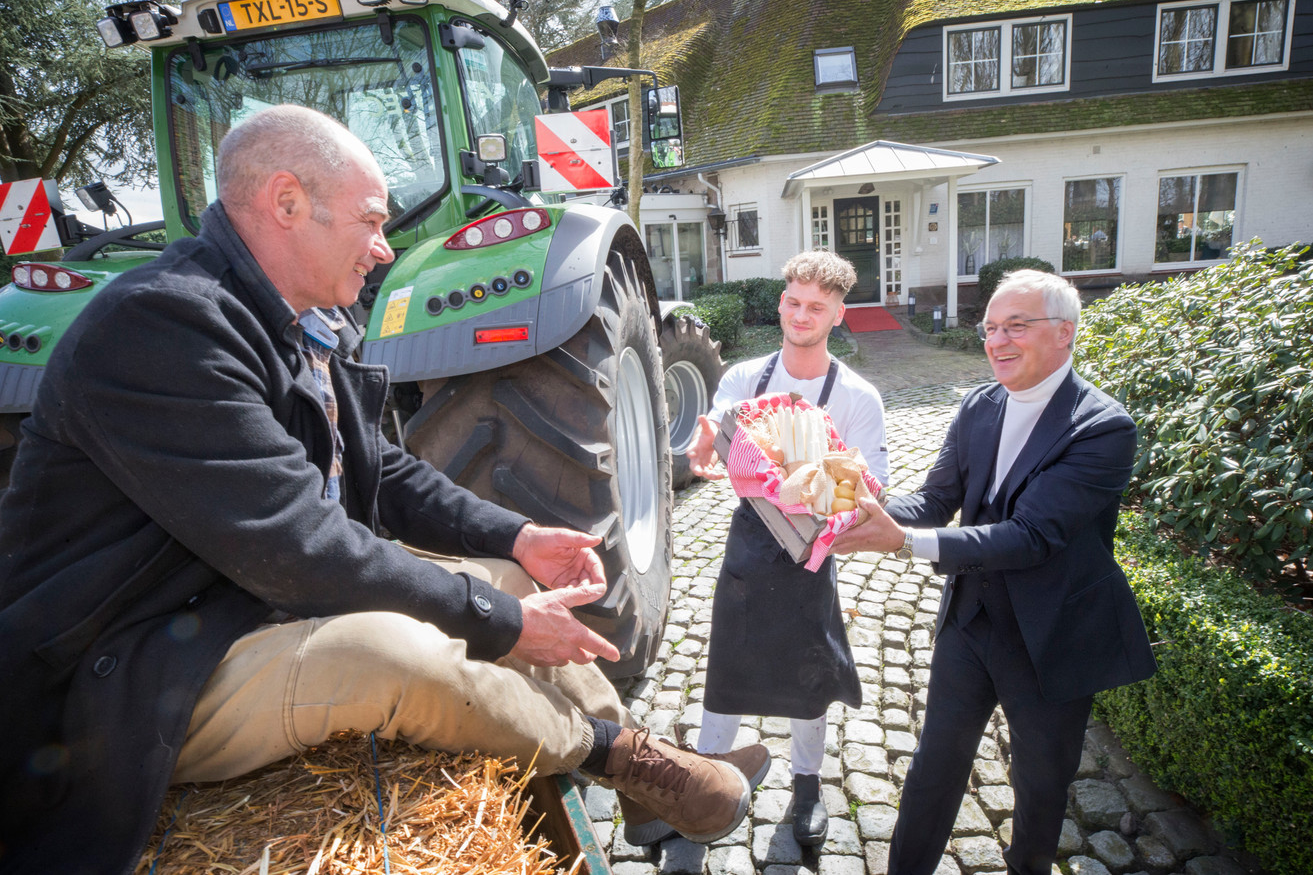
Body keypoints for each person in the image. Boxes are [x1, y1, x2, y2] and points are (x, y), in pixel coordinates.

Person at [0, 105, 762, 875]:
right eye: (369, 221)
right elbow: (295, 545)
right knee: (390, 653)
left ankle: (645, 771)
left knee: (503, 580)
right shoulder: (160, 325)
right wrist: (498, 625)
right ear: (287, 202)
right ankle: (622, 762)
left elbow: (381, 470)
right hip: (124, 675)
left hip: (226, 610)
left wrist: (514, 538)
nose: (384, 246)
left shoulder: (300, 322)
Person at [831, 269, 1157, 875]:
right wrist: (850, 509)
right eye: (990, 328)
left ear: (1065, 333)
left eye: (1016, 326)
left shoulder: (1103, 427)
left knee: (1040, 786)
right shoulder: (981, 404)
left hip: (1052, 635)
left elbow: (1032, 536)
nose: (998, 341)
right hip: (971, 621)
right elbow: (934, 500)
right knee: (933, 766)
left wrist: (902, 542)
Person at [682, 250, 890, 848]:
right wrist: (703, 447)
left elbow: (872, 482)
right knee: (727, 666)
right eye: (794, 303)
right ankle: (704, 776)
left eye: (817, 308)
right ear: (781, 303)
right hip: (749, 546)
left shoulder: (857, 396)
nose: (802, 315)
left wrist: (821, 480)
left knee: (809, 676)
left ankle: (806, 785)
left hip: (812, 555)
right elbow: (714, 439)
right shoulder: (745, 379)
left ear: (838, 314)